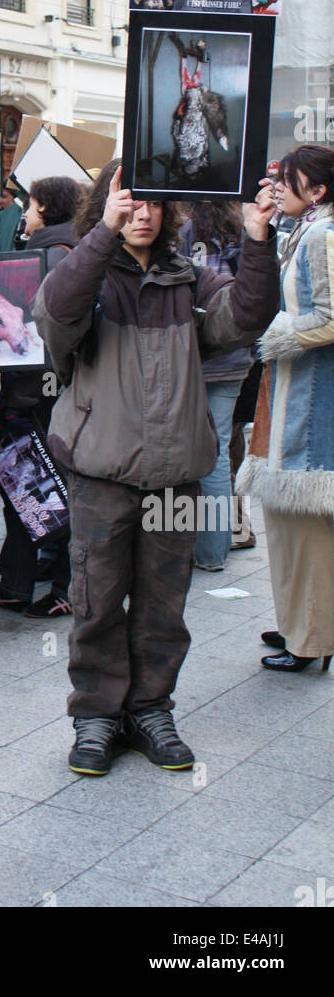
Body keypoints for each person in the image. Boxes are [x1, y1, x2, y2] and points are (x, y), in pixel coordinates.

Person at [35, 161, 279, 776]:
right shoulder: (86, 272)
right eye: (128, 201)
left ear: (171, 214)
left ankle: (150, 710)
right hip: (101, 473)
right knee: (95, 601)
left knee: (163, 605)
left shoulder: (189, 282)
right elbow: (56, 314)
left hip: (175, 475)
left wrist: (256, 238)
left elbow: (247, 317)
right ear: (108, 206)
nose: (143, 213)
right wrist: (101, 237)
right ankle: (95, 717)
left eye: (153, 204)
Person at [236, 146, 334, 674]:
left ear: (317, 191)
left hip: (310, 397)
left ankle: (312, 638)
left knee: (305, 532)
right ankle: (300, 623)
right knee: (289, 527)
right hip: (291, 388)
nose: (276, 187)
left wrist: (276, 338)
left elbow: (330, 317)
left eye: (287, 181)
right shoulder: (306, 229)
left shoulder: (322, 235)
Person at [0, 176, 82, 615]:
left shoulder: (50, 256)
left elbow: (36, 329)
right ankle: (21, 583)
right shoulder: (62, 250)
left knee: (42, 487)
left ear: (45, 208)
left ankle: (60, 589)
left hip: (37, 392)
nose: (25, 211)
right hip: (42, 389)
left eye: (30, 204)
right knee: (30, 486)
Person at [180, 202, 255, 571]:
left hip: (193, 357)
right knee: (219, 452)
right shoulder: (240, 230)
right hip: (234, 356)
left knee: (187, 450)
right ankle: (214, 552)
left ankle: (193, 544)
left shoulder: (178, 232)